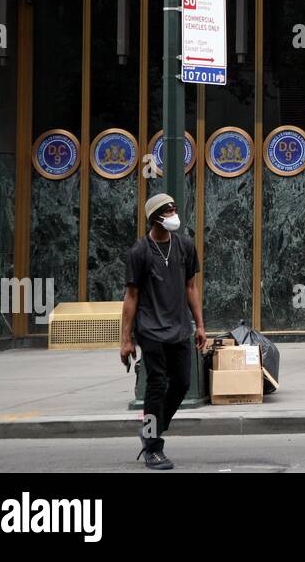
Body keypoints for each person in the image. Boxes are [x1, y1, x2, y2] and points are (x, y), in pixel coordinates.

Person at [120, 193, 205, 470]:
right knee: (156, 386)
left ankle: (151, 428)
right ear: (154, 217)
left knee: (181, 383)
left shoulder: (185, 246)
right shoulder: (139, 252)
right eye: (168, 211)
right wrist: (126, 340)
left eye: (174, 209)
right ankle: (153, 447)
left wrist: (200, 325)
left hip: (179, 329)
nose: (173, 215)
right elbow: (130, 297)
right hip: (151, 330)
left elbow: (191, 287)